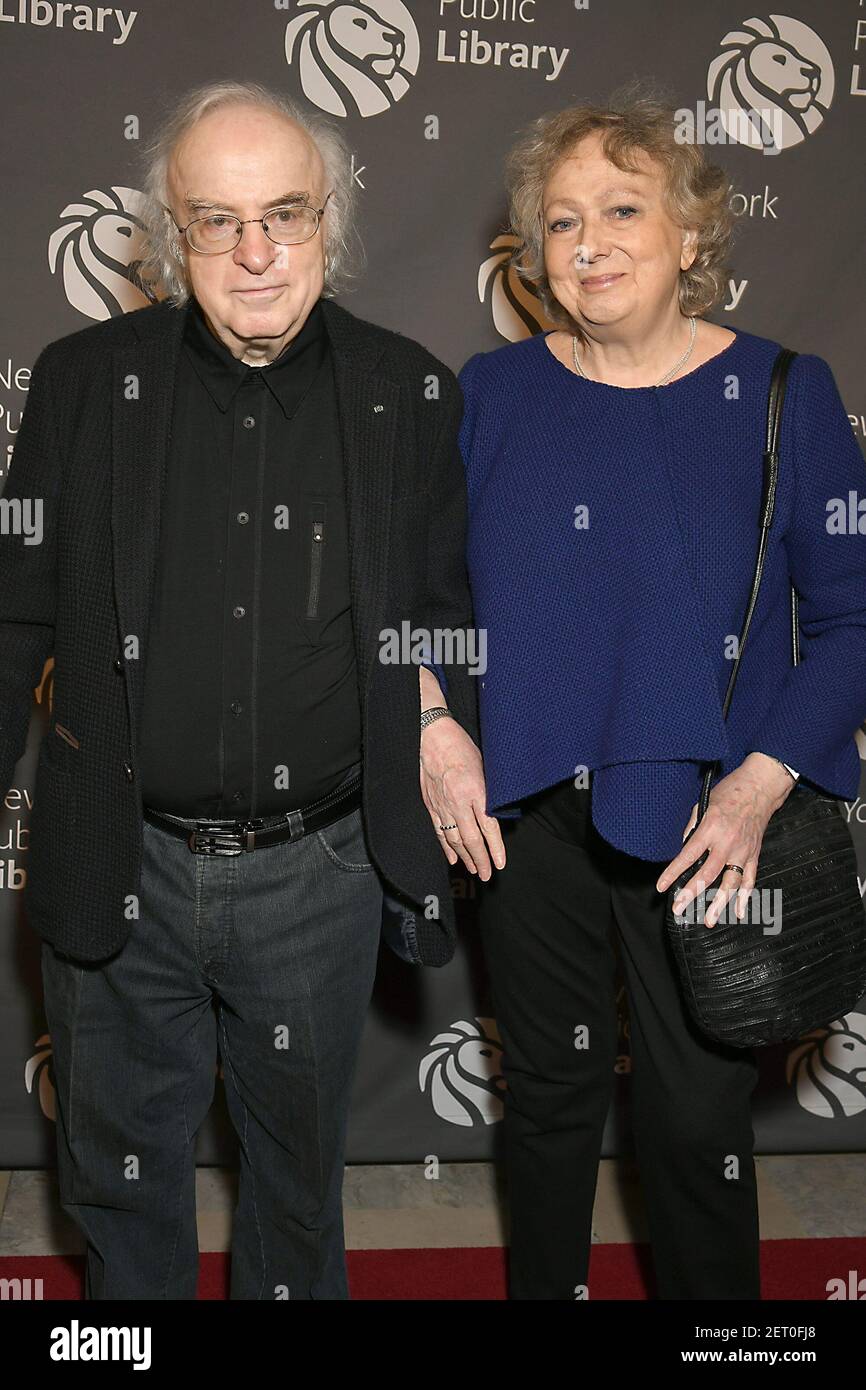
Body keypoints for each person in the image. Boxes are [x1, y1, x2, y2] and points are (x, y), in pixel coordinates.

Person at [0, 79, 502, 1300]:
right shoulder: (80, 382)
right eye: (215, 220)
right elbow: (16, 608)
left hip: (317, 875)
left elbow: (440, 611)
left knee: (295, 1189)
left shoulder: (409, 391)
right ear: (171, 239)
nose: (257, 250)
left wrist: (437, 720)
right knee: (119, 1189)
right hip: (120, 853)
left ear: (330, 219)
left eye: (283, 211)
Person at [457, 93, 866, 1299]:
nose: (588, 243)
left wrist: (757, 784)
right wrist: (435, 728)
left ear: (690, 236)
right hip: (528, 825)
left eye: (623, 210)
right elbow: (418, 595)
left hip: (707, 821)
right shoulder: (490, 395)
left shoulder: (787, 389)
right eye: (562, 221)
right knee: (543, 1116)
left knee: (694, 1134)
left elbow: (852, 618)